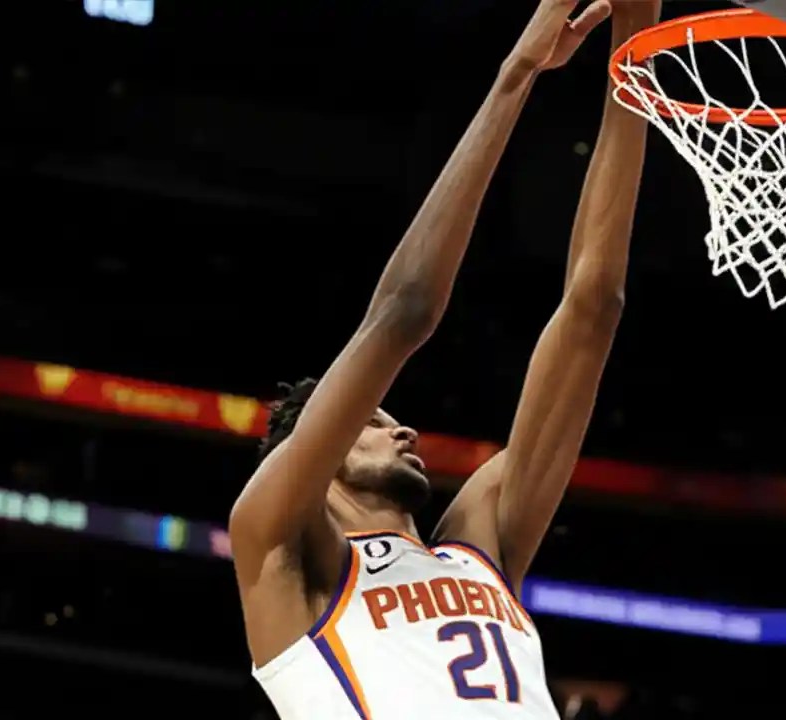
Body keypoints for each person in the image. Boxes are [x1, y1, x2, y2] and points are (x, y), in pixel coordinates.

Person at [228, 0, 662, 718]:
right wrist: (516, 75)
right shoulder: (281, 553)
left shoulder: (478, 544)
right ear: (316, 452)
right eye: (372, 420)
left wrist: (634, 38)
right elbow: (405, 312)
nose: (403, 431)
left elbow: (593, 308)